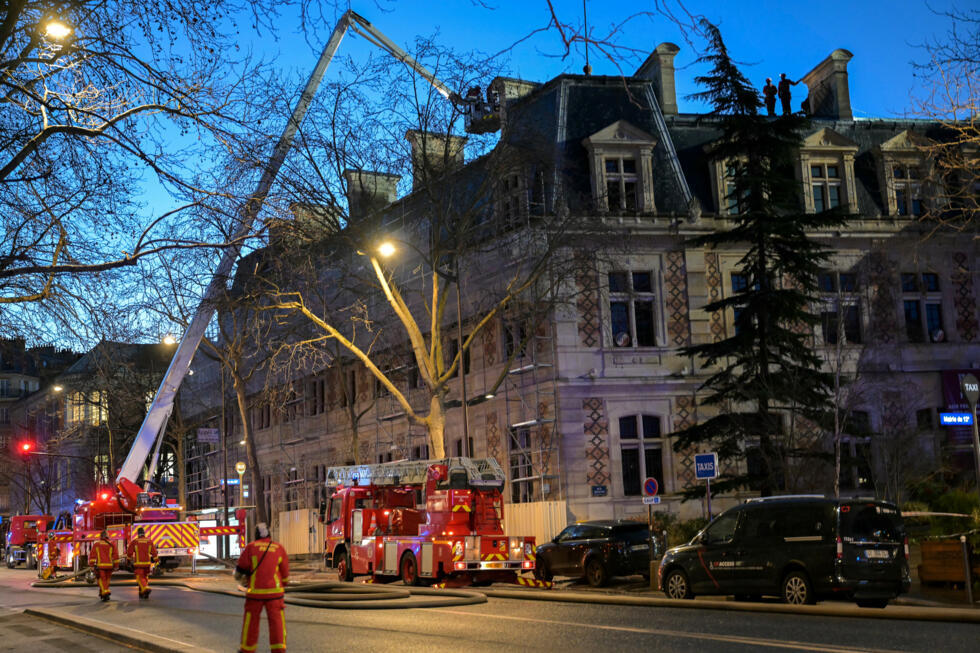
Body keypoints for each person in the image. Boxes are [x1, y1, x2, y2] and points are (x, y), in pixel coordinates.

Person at [235, 523, 290, 653]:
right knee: (277, 623)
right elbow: (285, 576)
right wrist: (281, 585)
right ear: (269, 534)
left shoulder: (251, 547)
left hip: (255, 593)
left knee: (251, 622)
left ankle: (247, 650)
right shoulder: (279, 548)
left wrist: (242, 579)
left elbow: (240, 570)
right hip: (275, 594)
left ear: (256, 535)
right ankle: (279, 650)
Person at [127, 527, 159, 599]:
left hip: (138, 564)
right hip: (147, 563)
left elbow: (129, 552)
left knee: (140, 577)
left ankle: (145, 588)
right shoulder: (149, 541)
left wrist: (128, 560)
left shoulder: (135, 542)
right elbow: (154, 552)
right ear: (144, 533)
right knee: (145, 577)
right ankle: (142, 592)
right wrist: (156, 561)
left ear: (138, 534)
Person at [90, 529, 118, 601]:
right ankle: (102, 593)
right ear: (107, 536)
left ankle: (105, 592)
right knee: (107, 580)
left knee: (101, 580)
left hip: (101, 566)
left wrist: (92, 565)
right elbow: (115, 556)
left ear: (101, 536)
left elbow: (92, 556)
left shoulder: (97, 544)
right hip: (109, 566)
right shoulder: (112, 544)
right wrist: (116, 566)